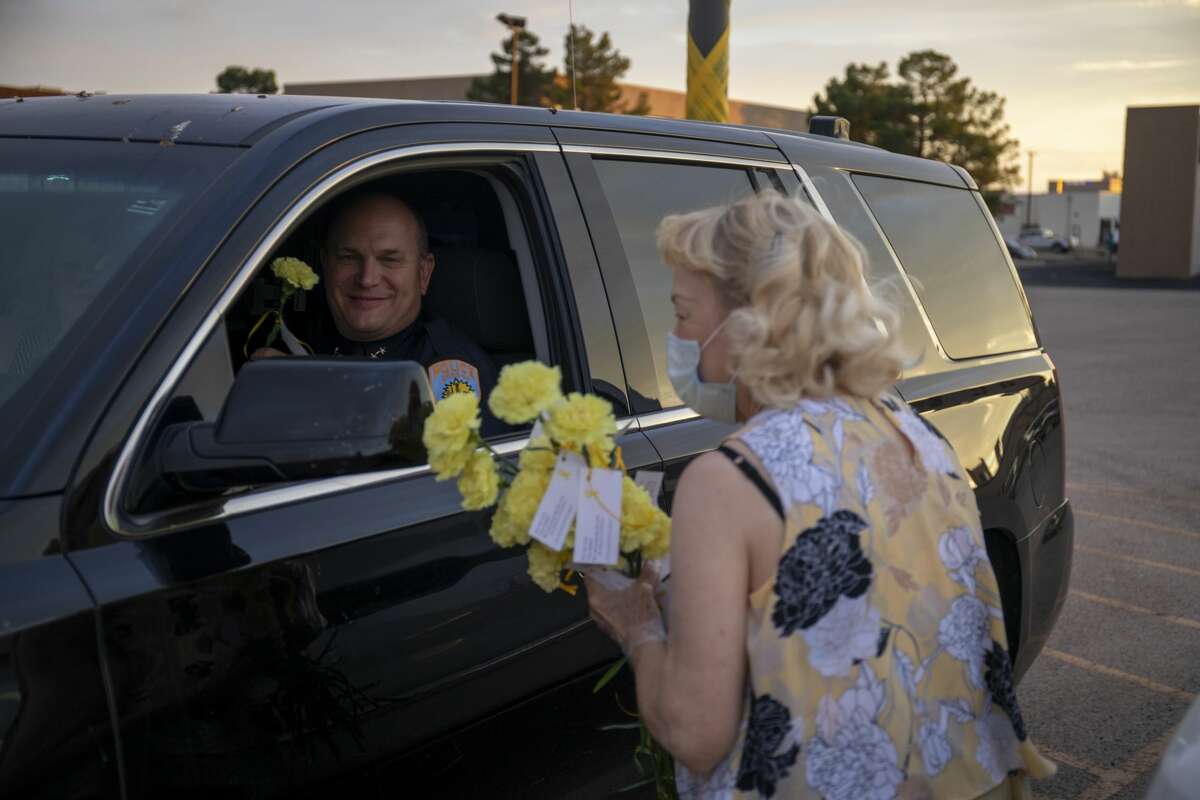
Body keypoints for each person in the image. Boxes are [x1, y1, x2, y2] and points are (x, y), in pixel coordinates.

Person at [583, 193, 1054, 799]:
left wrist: (639, 626)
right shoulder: (913, 433)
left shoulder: (727, 479)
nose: (676, 335)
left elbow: (695, 732)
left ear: (751, 320)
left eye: (682, 311)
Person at [254, 190, 497, 405]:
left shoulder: (446, 370)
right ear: (325, 264)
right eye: (348, 257)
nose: (367, 279)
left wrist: (308, 392)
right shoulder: (301, 336)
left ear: (423, 273)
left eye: (389, 260)